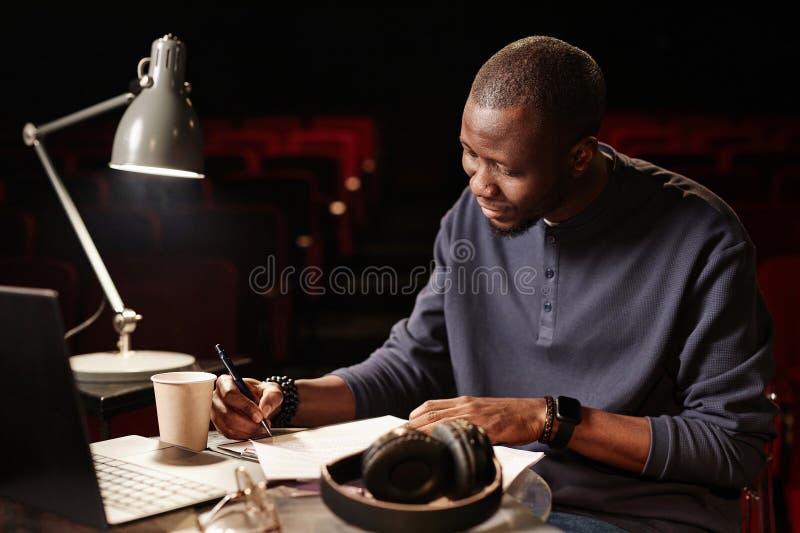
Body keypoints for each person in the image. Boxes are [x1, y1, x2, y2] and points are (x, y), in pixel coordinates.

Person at [211, 36, 776, 532]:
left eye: (507, 168)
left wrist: (546, 418)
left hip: (635, 517)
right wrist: (287, 399)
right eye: (469, 154)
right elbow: (413, 360)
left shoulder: (704, 238)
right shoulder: (471, 216)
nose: (481, 185)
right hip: (489, 503)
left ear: (578, 157)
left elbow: (732, 446)